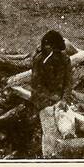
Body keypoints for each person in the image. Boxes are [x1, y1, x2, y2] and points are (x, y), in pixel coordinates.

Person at [30, 30, 74, 158]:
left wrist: (64, 99)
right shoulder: (39, 60)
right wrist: (50, 100)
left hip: (60, 101)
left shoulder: (64, 59)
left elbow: (68, 82)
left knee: (64, 132)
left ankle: (56, 157)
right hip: (44, 102)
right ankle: (49, 158)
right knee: (50, 133)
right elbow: (37, 85)